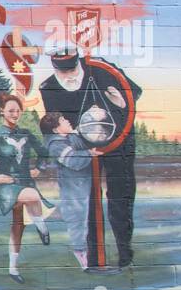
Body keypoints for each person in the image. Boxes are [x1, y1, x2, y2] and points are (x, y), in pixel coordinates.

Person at [38, 44, 143, 270]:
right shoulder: (48, 87)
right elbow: (57, 124)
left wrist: (119, 101)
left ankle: (125, 255)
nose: (68, 77)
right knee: (88, 203)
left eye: (71, 70)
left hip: (119, 143)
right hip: (83, 148)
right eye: (62, 72)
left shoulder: (102, 69)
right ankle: (94, 260)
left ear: (78, 62)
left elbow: (134, 92)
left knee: (121, 199)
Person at [0, 93, 53, 284]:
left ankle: (13, 269)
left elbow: (44, 153)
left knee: (18, 226)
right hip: (7, 185)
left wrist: (38, 169)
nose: (15, 114)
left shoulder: (25, 133)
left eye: (18, 110)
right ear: (2, 111)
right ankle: (42, 227)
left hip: (26, 181)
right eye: (11, 110)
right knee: (33, 197)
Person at [41, 111, 101, 270]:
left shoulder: (71, 136)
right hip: (73, 190)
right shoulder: (55, 145)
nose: (67, 121)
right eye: (62, 120)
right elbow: (74, 161)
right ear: (55, 129)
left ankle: (88, 253)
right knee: (77, 219)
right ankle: (81, 254)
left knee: (87, 218)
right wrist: (89, 153)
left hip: (85, 184)